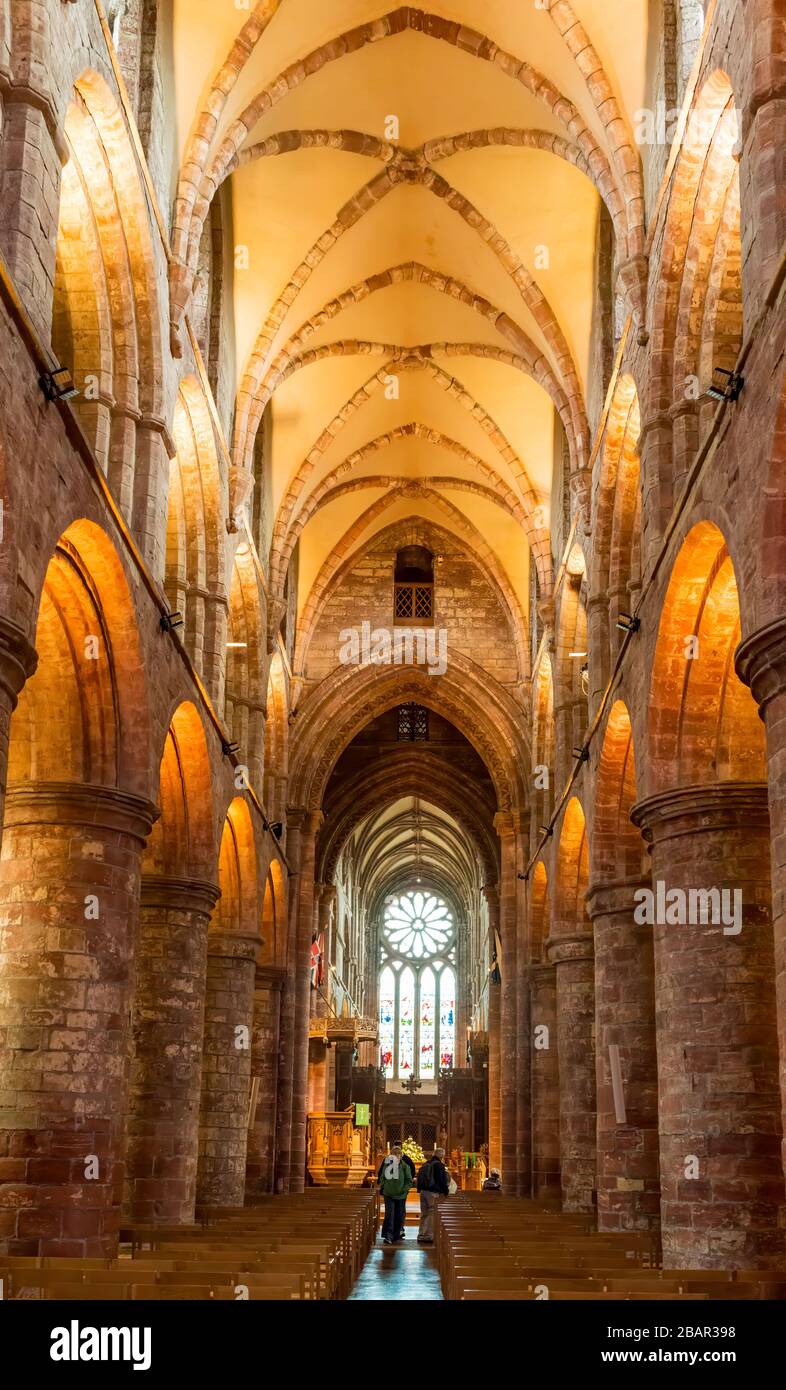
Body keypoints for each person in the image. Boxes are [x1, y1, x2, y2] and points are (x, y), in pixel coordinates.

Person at [378, 1144, 414, 1244]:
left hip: (401, 1195)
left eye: (397, 1154)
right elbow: (382, 1177)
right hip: (388, 1194)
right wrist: (384, 1185)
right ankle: (388, 1236)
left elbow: (409, 1181)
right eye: (393, 1154)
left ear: (400, 1156)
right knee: (389, 1215)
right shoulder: (387, 1165)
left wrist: (404, 1190)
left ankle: (396, 1235)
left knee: (399, 1215)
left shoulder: (405, 1166)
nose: (395, 1156)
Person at [416, 1146, 450, 1244]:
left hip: (423, 1191)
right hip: (432, 1192)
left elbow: (419, 1178)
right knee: (431, 1213)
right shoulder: (439, 1165)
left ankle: (421, 1234)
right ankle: (429, 1235)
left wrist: (419, 1190)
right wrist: (445, 1191)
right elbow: (441, 1180)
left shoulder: (426, 1163)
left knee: (424, 1213)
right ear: (442, 1156)